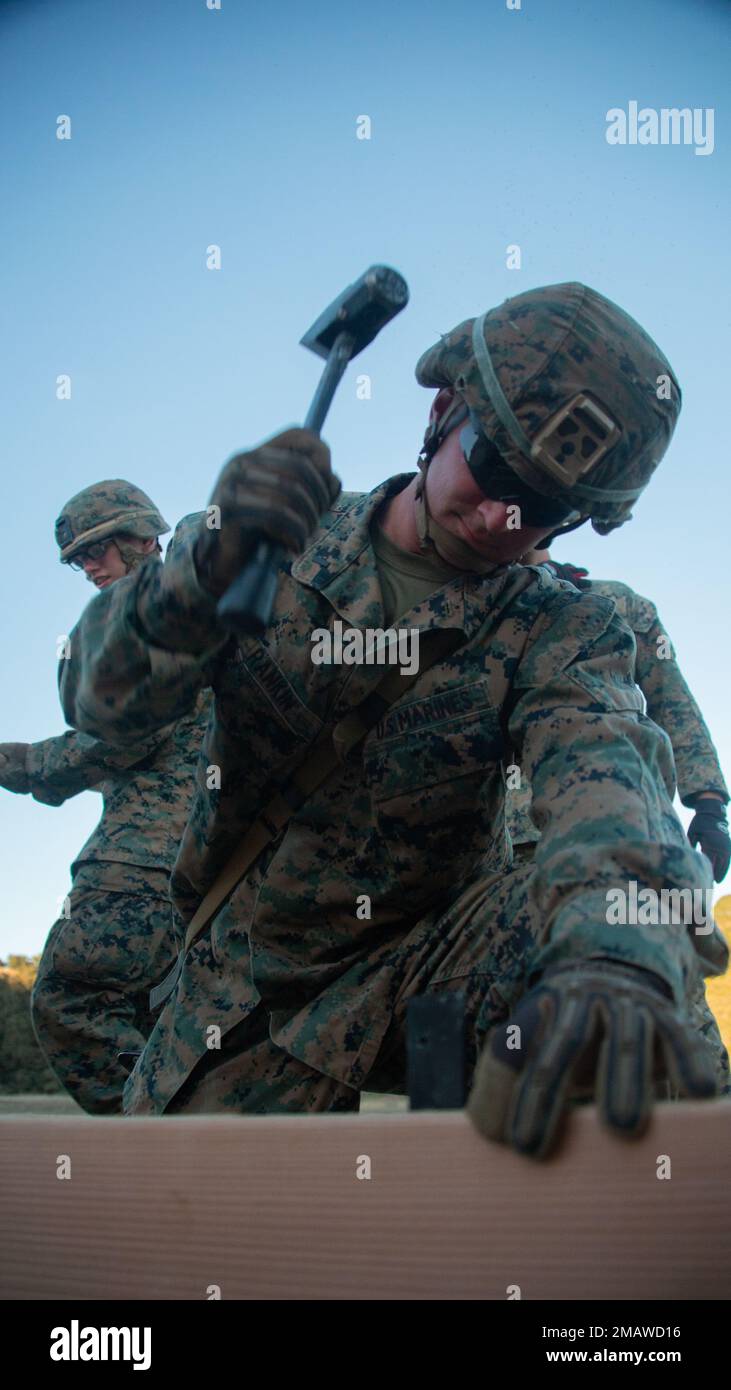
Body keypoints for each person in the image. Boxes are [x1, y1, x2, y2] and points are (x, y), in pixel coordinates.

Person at [58, 282, 728, 1158]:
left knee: (629, 987)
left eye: (544, 505)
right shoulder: (265, 551)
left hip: (436, 970)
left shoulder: (562, 623)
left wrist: (619, 950)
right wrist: (192, 576)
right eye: (493, 467)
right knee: (195, 1248)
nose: (501, 517)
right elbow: (99, 701)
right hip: (246, 983)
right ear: (444, 410)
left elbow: (603, 771)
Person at [0, 482, 211, 1113]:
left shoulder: (167, 615)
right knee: (164, 1018)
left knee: (72, 996)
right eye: (78, 559)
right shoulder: (194, 603)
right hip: (197, 862)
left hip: (143, 865)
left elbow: (121, 737)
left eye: (97, 550)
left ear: (144, 536)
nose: (88, 567)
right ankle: (194, 1154)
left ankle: (154, 1142)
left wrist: (27, 762)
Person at [504, 552, 730, 1089]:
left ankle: (709, 1130)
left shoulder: (615, 603)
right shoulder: (476, 607)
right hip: (504, 844)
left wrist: (709, 803)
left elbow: (672, 700)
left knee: (662, 973)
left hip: (623, 831)